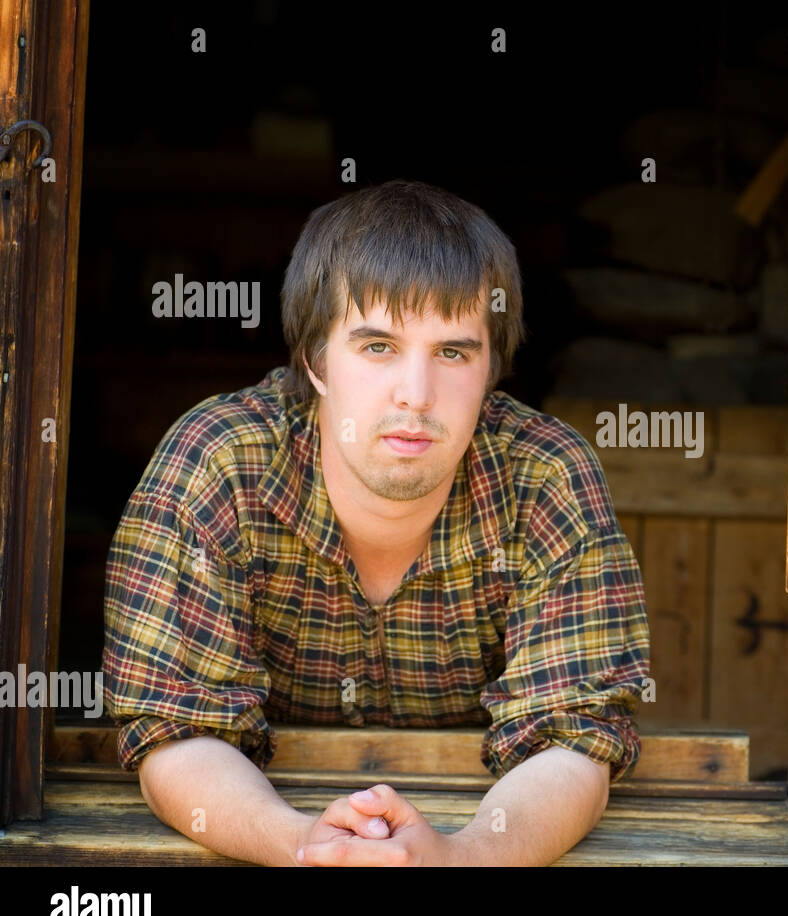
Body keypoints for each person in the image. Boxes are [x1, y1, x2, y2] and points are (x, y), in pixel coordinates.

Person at [102, 180, 652, 866]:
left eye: (453, 352)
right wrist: (304, 845)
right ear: (314, 359)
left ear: (492, 370)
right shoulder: (219, 463)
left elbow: (575, 739)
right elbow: (173, 729)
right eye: (378, 346)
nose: (415, 395)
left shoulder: (545, 476)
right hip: (259, 827)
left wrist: (464, 858)